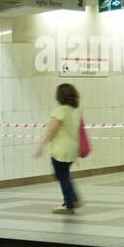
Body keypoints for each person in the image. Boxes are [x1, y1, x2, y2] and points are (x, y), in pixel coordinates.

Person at [34, 83, 82, 214]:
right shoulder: (75, 111)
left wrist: (41, 145)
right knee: (64, 174)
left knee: (62, 176)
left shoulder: (60, 110)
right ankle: (73, 197)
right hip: (73, 148)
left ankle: (68, 204)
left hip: (61, 149)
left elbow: (52, 129)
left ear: (59, 96)